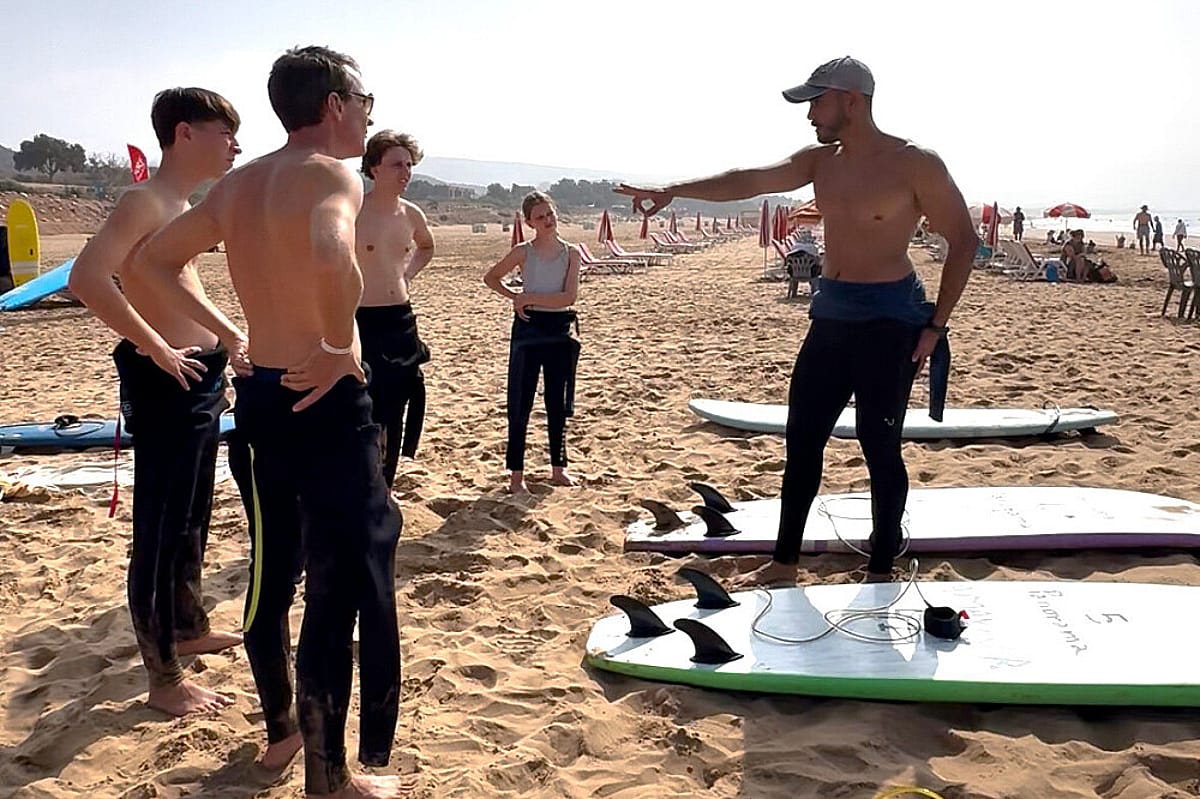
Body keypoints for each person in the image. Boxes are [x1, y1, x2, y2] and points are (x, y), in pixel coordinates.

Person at [132, 46, 411, 799]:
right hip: (323, 405)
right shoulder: (331, 174)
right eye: (366, 99)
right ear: (332, 105)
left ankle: (282, 728)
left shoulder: (241, 181)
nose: (370, 112)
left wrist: (233, 335)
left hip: (259, 404)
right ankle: (331, 778)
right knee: (337, 587)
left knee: (269, 575)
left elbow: (151, 262)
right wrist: (335, 343)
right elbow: (332, 253)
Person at [616, 56, 976, 584]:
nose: (810, 113)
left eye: (817, 100)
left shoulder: (915, 163)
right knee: (802, 441)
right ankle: (784, 565)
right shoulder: (820, 161)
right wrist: (674, 190)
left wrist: (936, 325)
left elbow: (964, 240)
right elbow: (752, 179)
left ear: (851, 101)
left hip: (891, 321)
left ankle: (880, 568)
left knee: (881, 447)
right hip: (831, 316)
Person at [66, 88, 244, 718]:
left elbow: (175, 284)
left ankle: (188, 625)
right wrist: (155, 347)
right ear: (183, 134)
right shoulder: (145, 200)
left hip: (196, 377)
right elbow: (86, 277)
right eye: (224, 132)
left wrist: (226, 342)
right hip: (166, 381)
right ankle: (164, 677)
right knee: (161, 530)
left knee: (193, 515)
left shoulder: (178, 204)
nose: (234, 144)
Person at [483, 190, 582, 494]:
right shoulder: (523, 251)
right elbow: (491, 278)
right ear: (529, 222)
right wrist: (517, 299)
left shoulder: (572, 252)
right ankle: (516, 475)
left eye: (550, 213)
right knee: (520, 402)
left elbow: (568, 297)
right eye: (540, 217)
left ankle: (558, 468)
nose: (548, 220)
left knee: (557, 402)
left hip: (560, 328)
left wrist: (528, 297)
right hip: (528, 328)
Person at [357, 130, 434, 487]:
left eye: (408, 164)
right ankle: (366, 480)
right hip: (361, 318)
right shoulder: (354, 210)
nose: (405, 172)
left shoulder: (411, 213)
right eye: (396, 164)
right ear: (374, 167)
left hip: (400, 317)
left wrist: (408, 273)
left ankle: (387, 483)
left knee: (399, 403)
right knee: (366, 404)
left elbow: (426, 246)